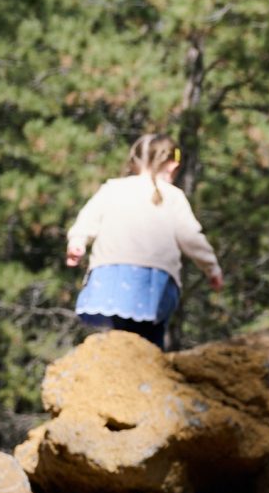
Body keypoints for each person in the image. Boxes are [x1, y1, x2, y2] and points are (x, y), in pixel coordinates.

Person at [64, 134, 224, 347]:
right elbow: (191, 237)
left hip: (111, 275)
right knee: (150, 339)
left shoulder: (112, 188)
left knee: (122, 334)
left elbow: (88, 218)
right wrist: (211, 268)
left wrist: (77, 241)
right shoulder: (173, 196)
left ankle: (123, 364)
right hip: (154, 280)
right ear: (172, 165)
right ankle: (147, 366)